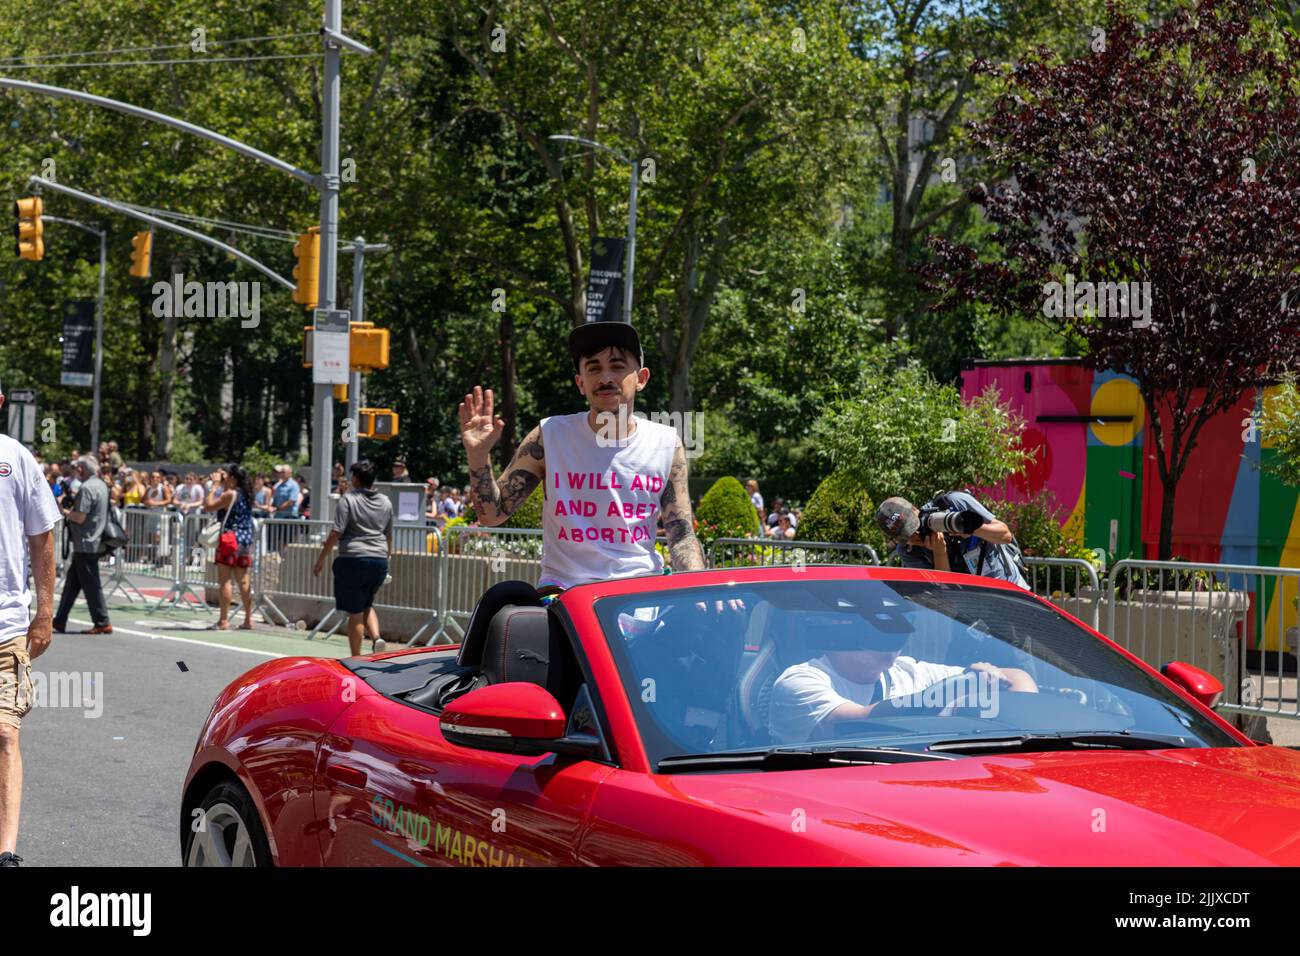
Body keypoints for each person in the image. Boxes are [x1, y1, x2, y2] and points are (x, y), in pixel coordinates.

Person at [459, 318, 711, 598]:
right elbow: (492, 515)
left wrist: (699, 590)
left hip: (640, 596)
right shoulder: (550, 435)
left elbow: (681, 534)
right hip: (565, 596)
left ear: (641, 379)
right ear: (580, 383)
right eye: (594, 368)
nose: (605, 378)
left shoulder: (666, 444)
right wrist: (478, 455)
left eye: (617, 366)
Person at [769, 615, 1037, 744]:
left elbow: (1017, 676)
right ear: (837, 638)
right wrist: (953, 693)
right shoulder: (799, 681)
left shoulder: (906, 671)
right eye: (874, 633)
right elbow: (855, 723)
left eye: (896, 636)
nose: (891, 651)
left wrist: (1027, 728)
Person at [0, 381, 59, 867]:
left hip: (5, 625)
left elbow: (42, 537)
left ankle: (6, 852)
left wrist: (45, 613)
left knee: (5, 733)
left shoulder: (17, 458)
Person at [313, 460, 392, 656]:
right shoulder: (385, 501)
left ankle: (356, 657)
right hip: (379, 558)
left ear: (355, 478)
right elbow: (389, 534)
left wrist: (321, 558)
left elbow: (337, 531)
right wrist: (387, 558)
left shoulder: (348, 500)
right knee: (367, 602)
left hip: (353, 558)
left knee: (354, 612)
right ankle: (377, 638)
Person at [875, 492, 1030, 589]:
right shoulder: (909, 552)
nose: (915, 536)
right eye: (907, 536)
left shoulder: (953, 503)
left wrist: (966, 527)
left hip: (1011, 589)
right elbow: (947, 592)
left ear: (916, 510)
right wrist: (939, 552)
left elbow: (1005, 535)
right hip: (976, 610)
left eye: (913, 526)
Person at [51, 456, 112, 636]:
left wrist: (65, 512)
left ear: (83, 470)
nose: (76, 472)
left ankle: (102, 622)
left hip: (86, 541)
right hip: (91, 539)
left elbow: (81, 516)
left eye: (78, 468)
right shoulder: (101, 485)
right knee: (72, 584)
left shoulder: (86, 488)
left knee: (91, 585)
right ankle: (60, 620)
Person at [203, 464, 255, 630]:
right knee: (244, 580)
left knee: (225, 580)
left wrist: (214, 486)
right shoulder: (246, 494)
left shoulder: (230, 494)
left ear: (232, 478)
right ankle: (248, 619)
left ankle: (223, 620)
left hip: (229, 539)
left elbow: (208, 506)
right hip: (245, 539)